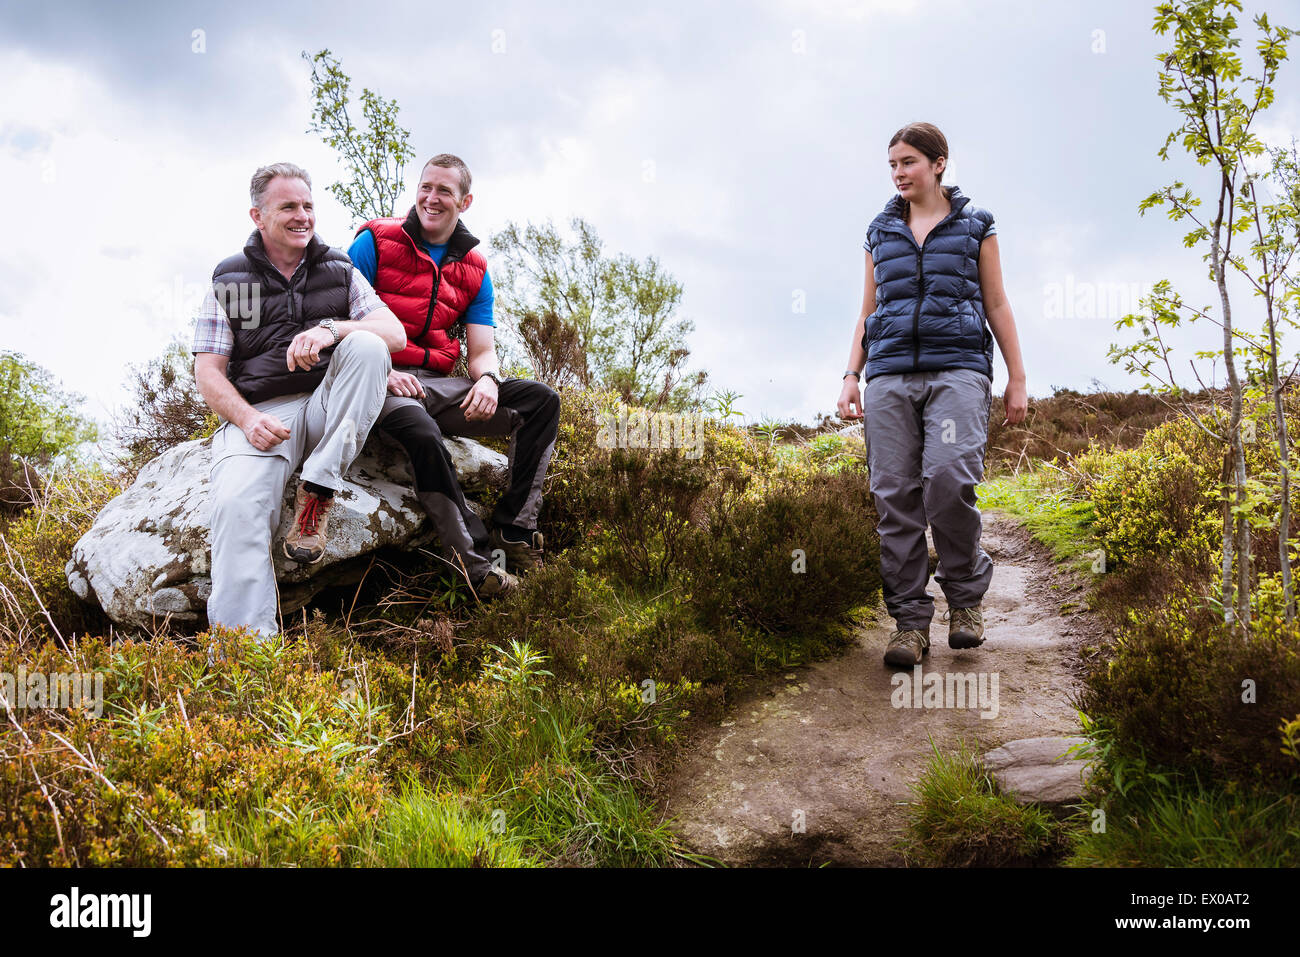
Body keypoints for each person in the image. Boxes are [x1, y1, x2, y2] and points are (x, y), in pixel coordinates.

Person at [837, 122, 1028, 668]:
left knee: (948, 480)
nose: (899, 173)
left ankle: (965, 602)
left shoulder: (975, 226)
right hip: (890, 375)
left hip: (960, 370)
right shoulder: (880, 231)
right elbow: (869, 310)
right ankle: (909, 623)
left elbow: (997, 303)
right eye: (893, 164)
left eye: (909, 162)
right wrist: (852, 374)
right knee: (893, 495)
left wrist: (1016, 376)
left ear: (939, 163)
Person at [193, 162, 406, 641]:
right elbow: (208, 371)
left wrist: (333, 328)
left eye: (308, 205)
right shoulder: (232, 280)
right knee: (236, 506)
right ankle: (245, 657)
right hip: (263, 416)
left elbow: (393, 332)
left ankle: (318, 491)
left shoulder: (339, 269)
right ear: (258, 215)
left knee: (368, 345)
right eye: (288, 206)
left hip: (328, 406)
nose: (302, 216)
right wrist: (246, 420)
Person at [348, 154, 561, 598]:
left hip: (437, 384)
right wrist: (380, 372)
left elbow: (482, 351)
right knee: (422, 431)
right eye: (426, 187)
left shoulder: (476, 268)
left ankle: (514, 532)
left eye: (444, 191)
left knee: (540, 401)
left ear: (464, 201)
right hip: (377, 378)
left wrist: (488, 381)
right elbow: (337, 320)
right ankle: (475, 567)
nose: (431, 198)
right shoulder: (374, 242)